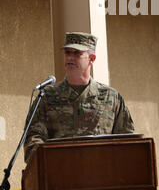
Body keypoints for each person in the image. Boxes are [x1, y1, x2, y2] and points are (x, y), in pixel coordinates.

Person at [24, 32, 134, 163]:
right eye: (67, 53)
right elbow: (33, 137)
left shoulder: (111, 98)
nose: (70, 57)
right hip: (60, 175)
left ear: (91, 58)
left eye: (77, 53)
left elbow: (127, 142)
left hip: (102, 175)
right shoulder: (48, 96)